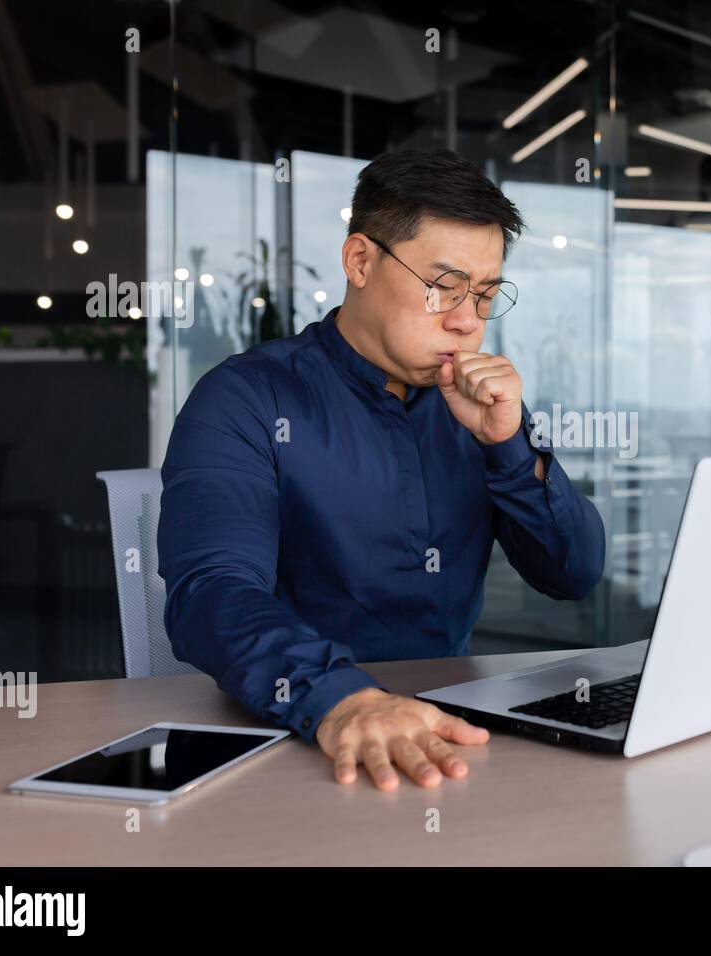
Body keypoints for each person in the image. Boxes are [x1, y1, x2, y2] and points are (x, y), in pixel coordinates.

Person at [158, 150, 606, 792]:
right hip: (298, 735)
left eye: (483, 295)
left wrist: (508, 448)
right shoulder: (247, 399)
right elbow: (211, 593)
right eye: (444, 288)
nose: (466, 320)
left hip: (454, 730)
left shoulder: (477, 405)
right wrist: (345, 698)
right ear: (360, 261)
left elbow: (574, 573)